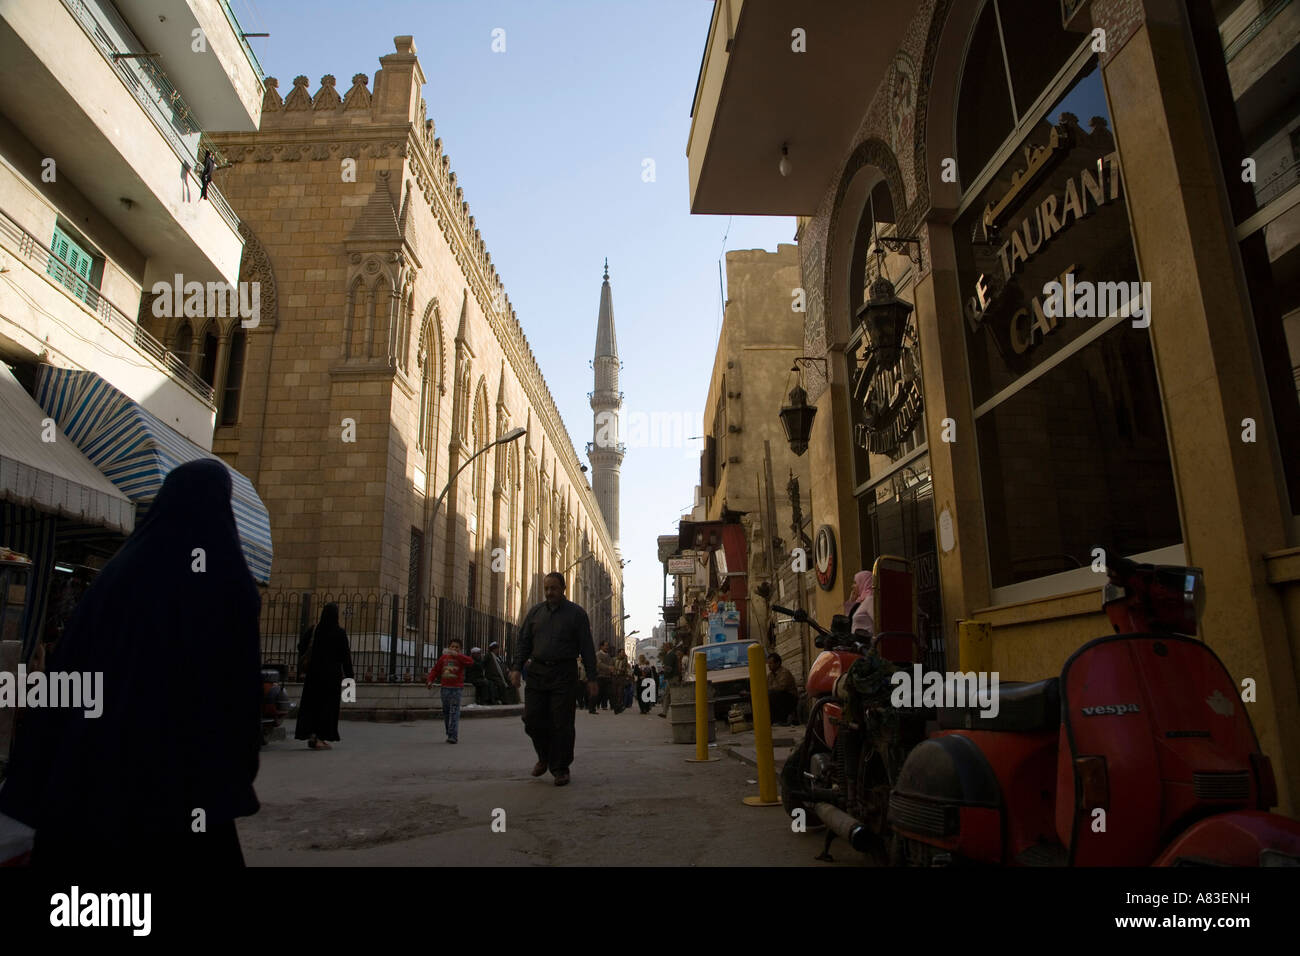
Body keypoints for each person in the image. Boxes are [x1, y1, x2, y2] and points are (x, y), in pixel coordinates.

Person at [0, 459, 261, 867]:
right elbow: (237, 695)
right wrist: (233, 770)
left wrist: (40, 768)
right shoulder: (226, 583)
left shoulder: (118, 577)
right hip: (180, 789)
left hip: (90, 781)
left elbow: (67, 679)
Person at [511, 572, 598, 786]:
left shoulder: (576, 614)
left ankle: (561, 768)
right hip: (537, 673)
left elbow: (587, 648)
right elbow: (524, 642)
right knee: (531, 719)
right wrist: (516, 667)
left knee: (562, 723)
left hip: (564, 674)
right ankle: (544, 756)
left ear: (563, 589)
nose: (549, 592)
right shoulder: (535, 613)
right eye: (547, 588)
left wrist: (592, 678)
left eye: (554, 588)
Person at [296, 603, 355, 750]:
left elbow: (301, 646)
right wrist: (350, 678)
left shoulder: (314, 630)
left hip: (313, 676)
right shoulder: (339, 633)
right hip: (331, 677)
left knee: (312, 706)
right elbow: (345, 657)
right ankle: (320, 738)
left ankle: (312, 734)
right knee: (327, 708)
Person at [427, 640, 474, 744]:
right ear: (449, 648)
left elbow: (470, 661)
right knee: (446, 711)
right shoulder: (444, 658)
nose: (454, 649)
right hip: (445, 689)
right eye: (452, 647)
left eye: (457, 647)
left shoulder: (461, 658)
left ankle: (453, 736)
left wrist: (458, 655)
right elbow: (435, 670)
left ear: (460, 649)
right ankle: (449, 731)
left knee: (454, 712)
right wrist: (430, 680)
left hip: (456, 689)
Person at [767, 652, 799, 726]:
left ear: (778, 663)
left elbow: (781, 688)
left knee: (772, 694)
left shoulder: (784, 672)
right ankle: (772, 720)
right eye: (768, 663)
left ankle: (782, 719)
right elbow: (767, 687)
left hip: (790, 698)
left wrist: (770, 689)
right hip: (779, 696)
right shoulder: (770, 675)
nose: (769, 665)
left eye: (771, 663)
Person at [596, 641, 614, 710]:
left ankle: (604, 705)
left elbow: (611, 663)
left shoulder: (608, 655)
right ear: (601, 646)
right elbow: (599, 664)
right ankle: (597, 703)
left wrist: (612, 667)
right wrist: (608, 667)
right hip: (600, 676)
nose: (607, 647)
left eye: (607, 646)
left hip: (608, 676)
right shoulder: (598, 654)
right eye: (605, 645)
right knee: (600, 691)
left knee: (607, 692)